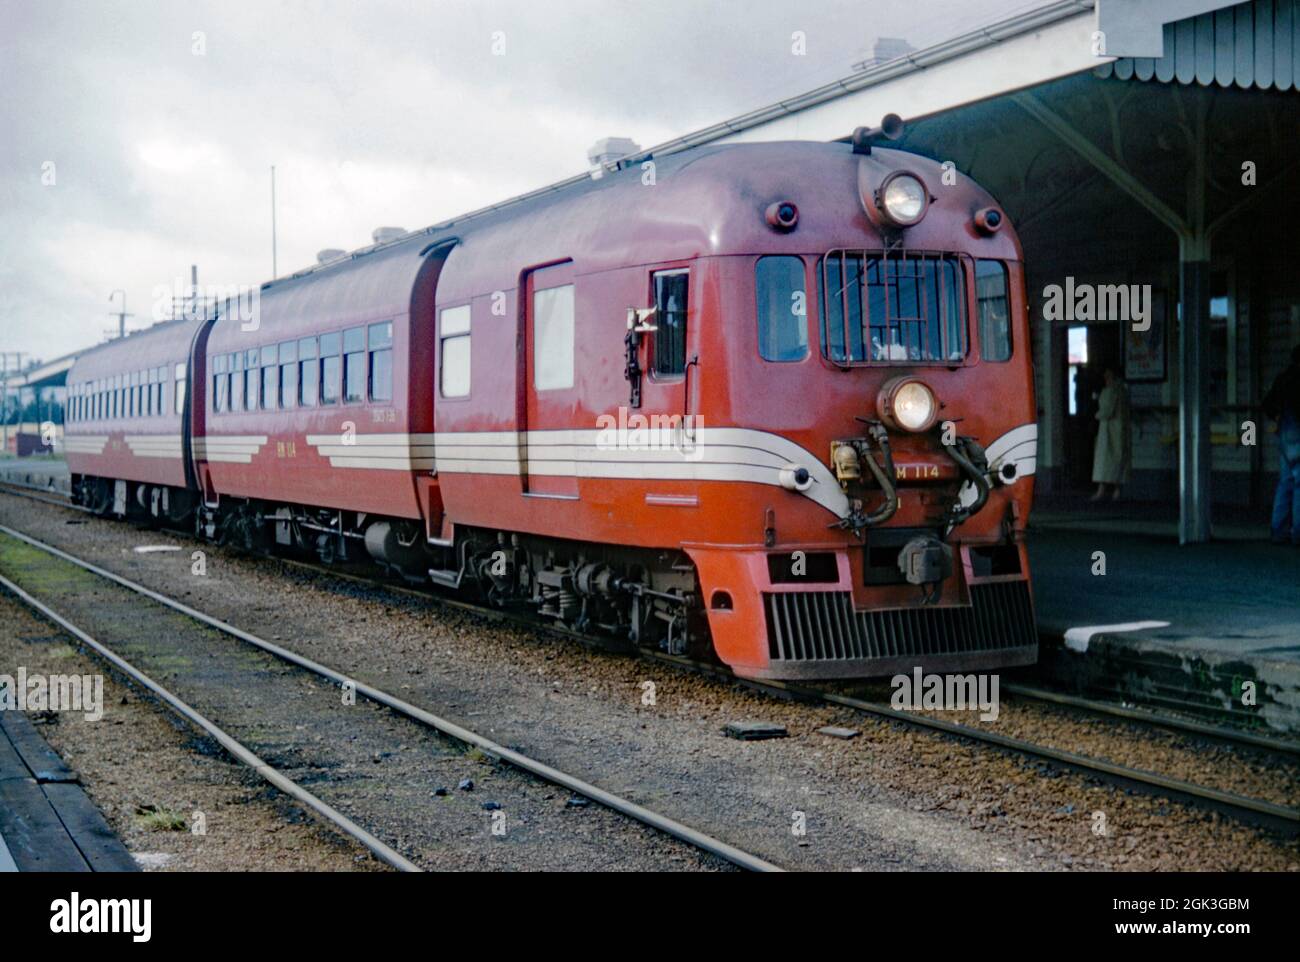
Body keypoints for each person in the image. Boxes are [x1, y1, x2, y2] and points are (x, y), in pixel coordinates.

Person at [1263, 345, 1300, 546]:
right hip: (1297, 430)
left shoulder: (1283, 377)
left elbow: (1267, 404)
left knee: (1286, 480)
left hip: (1285, 431)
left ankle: (1279, 530)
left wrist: (1277, 417)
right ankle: (1298, 533)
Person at [1090, 367, 1131, 501]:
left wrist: (1096, 415)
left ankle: (1101, 490)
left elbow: (1106, 411)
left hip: (1108, 430)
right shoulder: (1123, 390)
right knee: (1119, 459)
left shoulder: (1110, 391)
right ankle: (1117, 490)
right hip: (1121, 428)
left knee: (1105, 461)